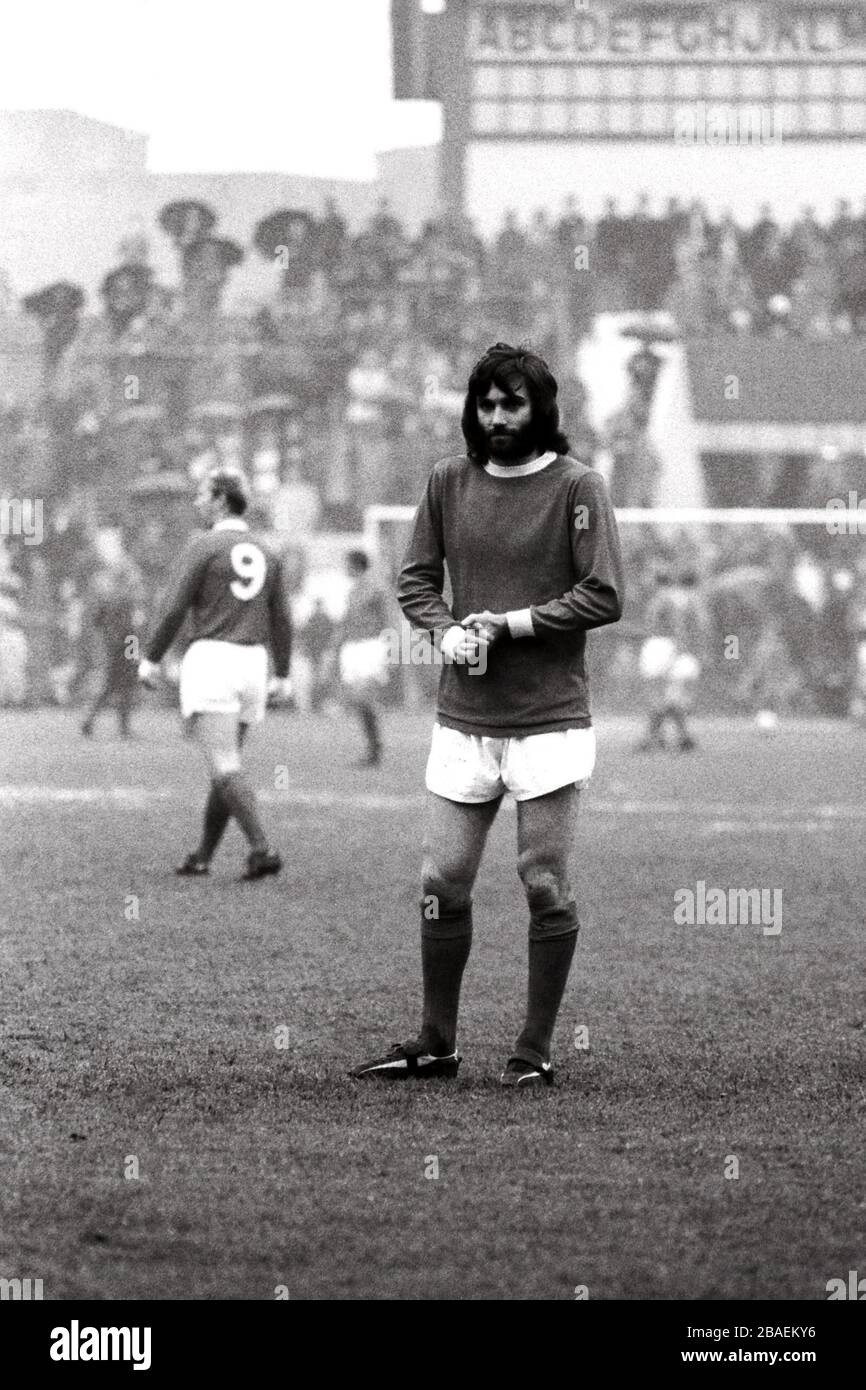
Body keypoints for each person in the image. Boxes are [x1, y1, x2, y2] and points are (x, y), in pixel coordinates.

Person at [351, 343, 624, 1088]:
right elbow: (414, 581)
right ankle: (437, 1041)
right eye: (487, 405)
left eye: (514, 404)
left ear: (542, 410)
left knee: (543, 881)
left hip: (550, 718)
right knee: (442, 880)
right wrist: (445, 631)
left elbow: (604, 594)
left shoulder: (578, 487)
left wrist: (509, 624)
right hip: (464, 718)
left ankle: (533, 1049)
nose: (498, 417)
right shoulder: (447, 481)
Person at [138, 466, 293, 881]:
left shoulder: (203, 546)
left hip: (213, 659)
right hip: (253, 663)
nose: (196, 502)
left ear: (222, 500)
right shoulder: (267, 550)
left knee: (224, 765)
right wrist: (284, 672)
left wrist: (151, 658)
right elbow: (282, 617)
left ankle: (262, 848)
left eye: (203, 494)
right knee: (228, 766)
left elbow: (173, 608)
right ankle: (203, 855)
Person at [337, 550, 390, 766]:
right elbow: (346, 621)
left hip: (371, 646)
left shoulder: (376, 587)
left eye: (346, 564)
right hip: (353, 648)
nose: (344, 568)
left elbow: (389, 618)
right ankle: (372, 747)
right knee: (357, 700)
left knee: (364, 697)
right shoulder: (352, 590)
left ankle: (375, 747)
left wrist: (391, 645)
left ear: (355, 565)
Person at [81, 561, 144, 738]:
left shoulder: (108, 596)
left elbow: (97, 621)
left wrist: (108, 639)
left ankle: (89, 721)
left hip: (112, 647)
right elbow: (130, 628)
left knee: (109, 687)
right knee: (125, 688)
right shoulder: (127, 599)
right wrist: (134, 653)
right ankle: (123, 728)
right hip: (124, 646)